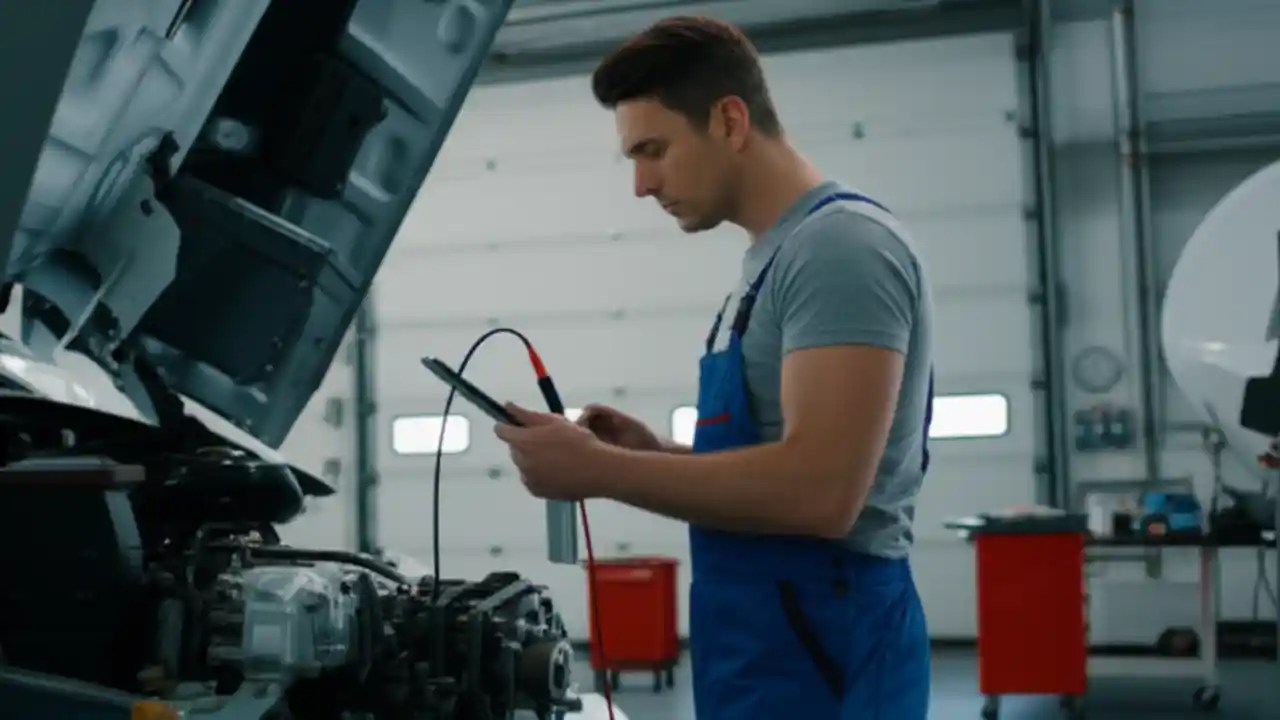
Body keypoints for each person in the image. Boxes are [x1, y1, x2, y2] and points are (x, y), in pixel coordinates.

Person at [493, 15, 934, 720]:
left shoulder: (841, 249)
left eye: (654, 150)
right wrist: (654, 453)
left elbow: (823, 492)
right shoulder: (771, 261)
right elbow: (780, 460)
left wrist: (600, 471)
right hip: (770, 647)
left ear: (729, 121)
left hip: (828, 655)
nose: (641, 184)